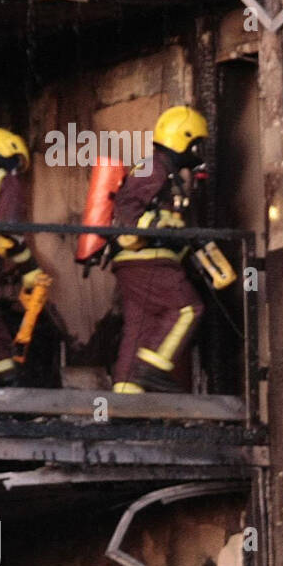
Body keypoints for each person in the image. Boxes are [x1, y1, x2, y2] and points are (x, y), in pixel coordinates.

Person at [110, 105, 208, 393]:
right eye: (195, 144)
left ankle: (126, 402)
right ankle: (153, 370)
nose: (197, 152)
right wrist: (160, 223)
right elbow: (127, 209)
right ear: (183, 138)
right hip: (148, 260)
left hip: (135, 262)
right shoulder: (154, 167)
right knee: (188, 308)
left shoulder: (167, 173)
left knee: (138, 329)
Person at [0, 127, 48, 385]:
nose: (18, 170)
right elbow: (10, 234)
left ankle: (7, 381)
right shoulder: (6, 179)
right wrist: (30, 269)